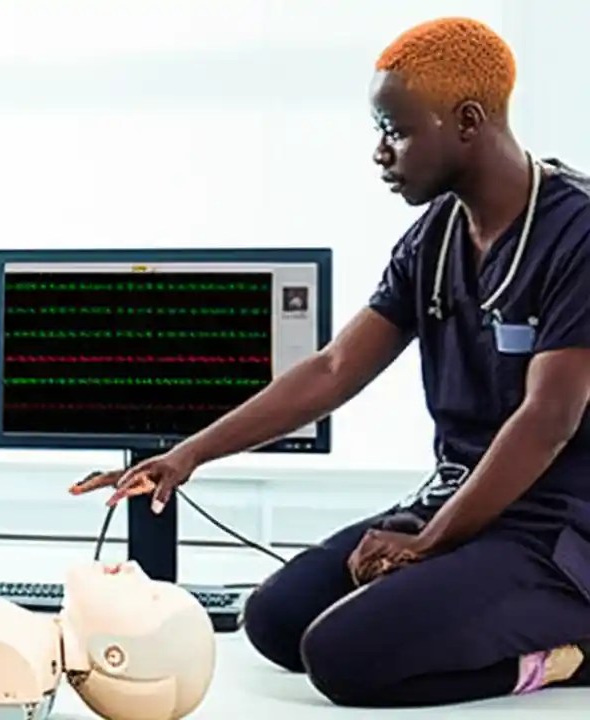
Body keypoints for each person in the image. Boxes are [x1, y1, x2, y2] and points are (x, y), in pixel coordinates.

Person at [71, 16, 590, 709]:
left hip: (559, 529)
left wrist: (430, 544)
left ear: (468, 121)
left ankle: (570, 654)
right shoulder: (435, 238)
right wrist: (187, 455)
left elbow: (548, 419)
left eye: (395, 131)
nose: (380, 152)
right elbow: (334, 367)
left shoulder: (577, 232)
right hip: (463, 500)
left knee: (343, 659)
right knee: (276, 620)